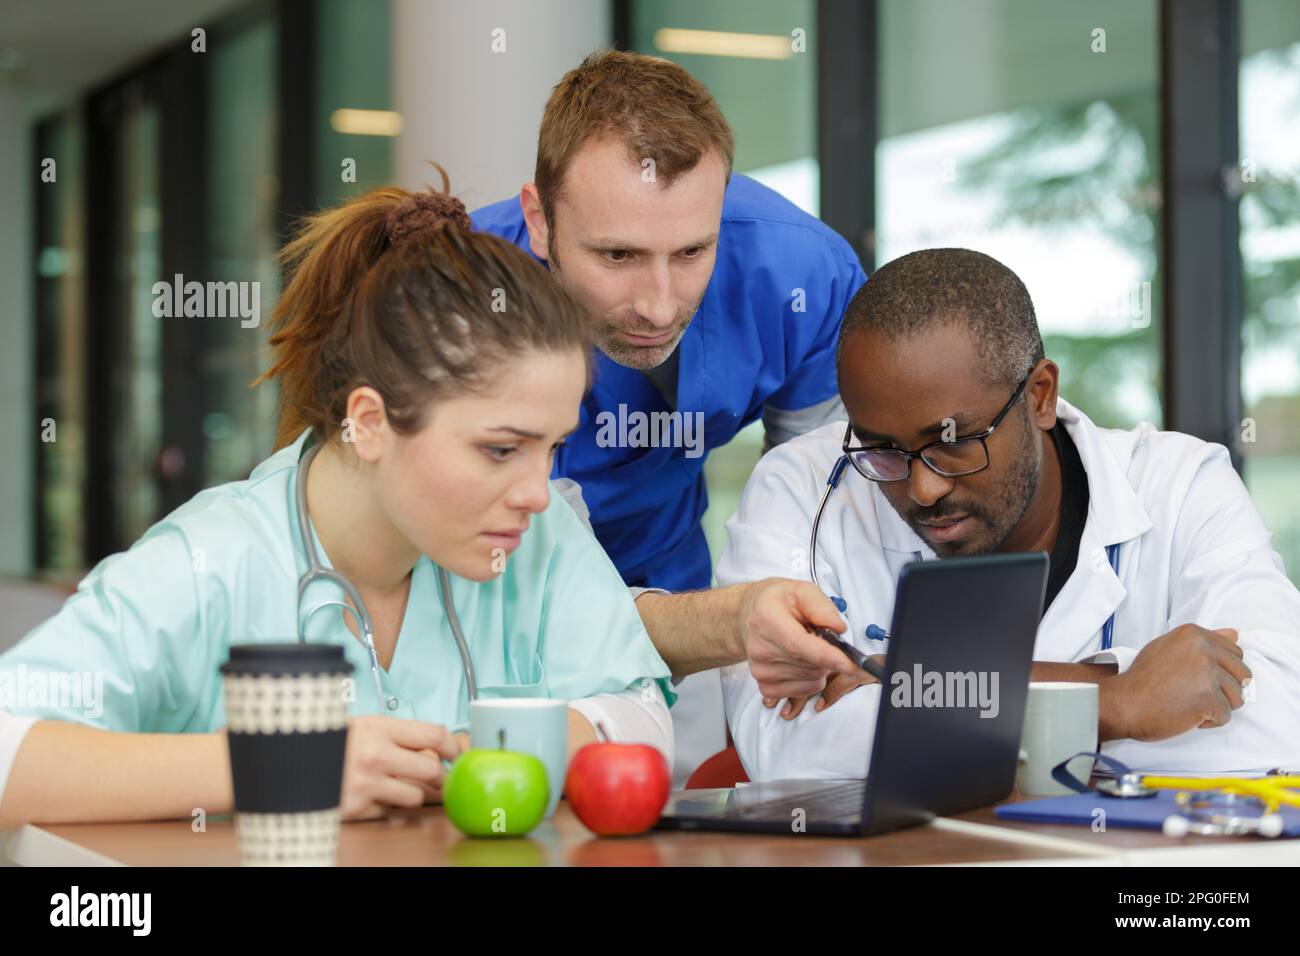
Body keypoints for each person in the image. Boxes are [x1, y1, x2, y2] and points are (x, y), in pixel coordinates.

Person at [0, 178, 674, 827]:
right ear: (370, 423)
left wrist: (503, 747)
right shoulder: (209, 562)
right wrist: (282, 765)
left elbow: (641, 713)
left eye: (552, 447)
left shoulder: (538, 535)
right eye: (501, 450)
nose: (536, 491)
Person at [717, 247, 1300, 781]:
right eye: (882, 449)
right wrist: (1117, 700)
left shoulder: (1180, 484)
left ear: (1040, 395)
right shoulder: (801, 487)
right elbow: (786, 753)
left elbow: (1280, 717)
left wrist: (909, 686)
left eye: (955, 441)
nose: (922, 488)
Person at [472, 51, 870, 772]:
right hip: (489, 614)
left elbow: (816, 500)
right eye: (618, 255)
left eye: (692, 250)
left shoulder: (801, 276)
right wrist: (728, 619)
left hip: (678, 606)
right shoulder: (460, 293)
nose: (658, 305)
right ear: (539, 218)